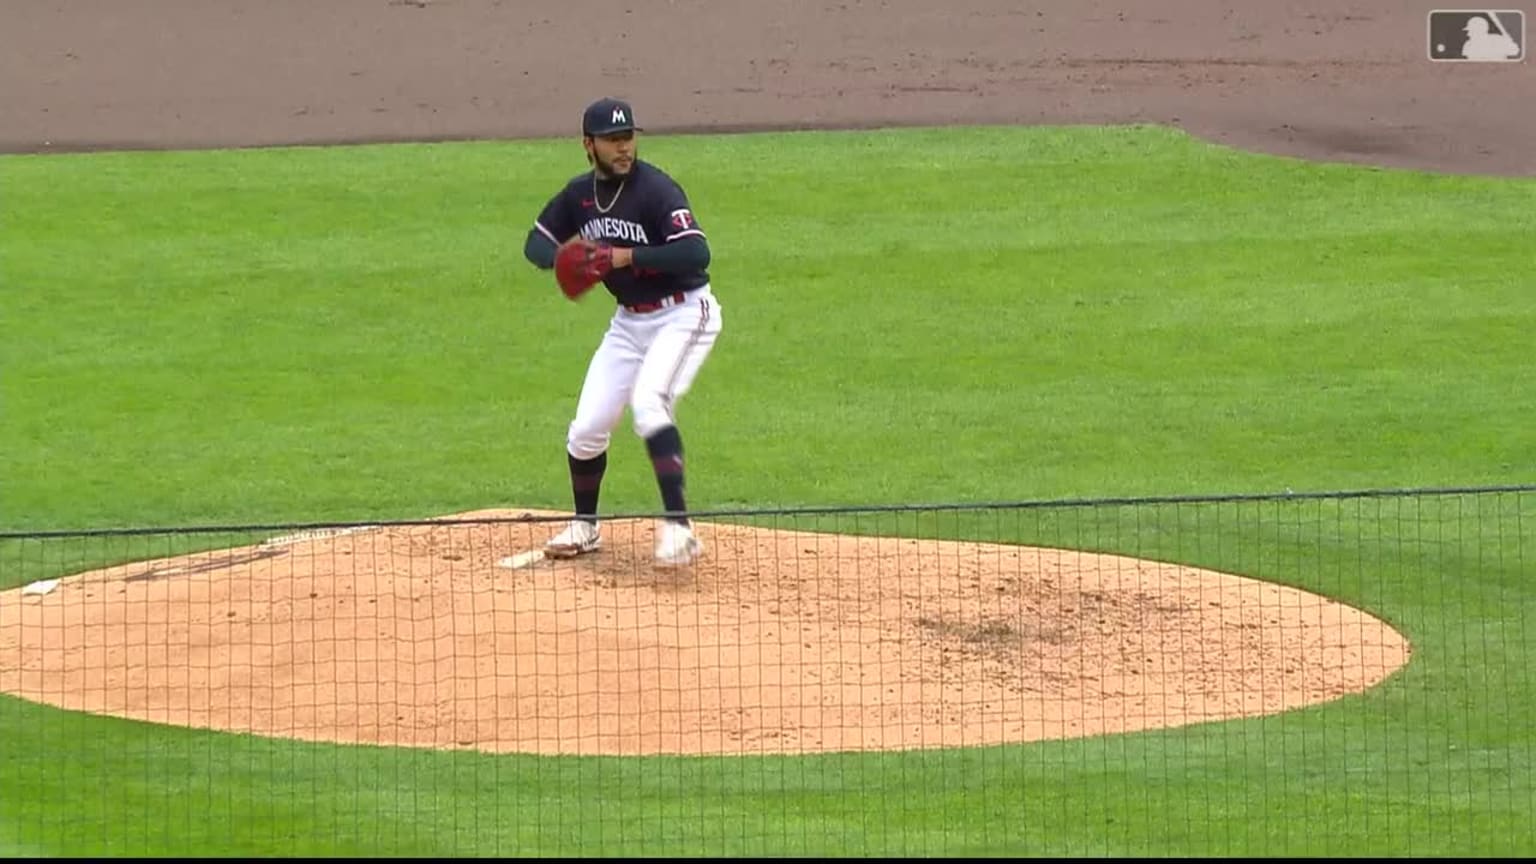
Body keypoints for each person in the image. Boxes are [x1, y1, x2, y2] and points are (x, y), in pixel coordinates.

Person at [521, 97, 723, 567]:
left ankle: (679, 528)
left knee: (650, 403)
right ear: (588, 145)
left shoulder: (656, 191)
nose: (623, 148)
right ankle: (585, 527)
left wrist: (627, 257)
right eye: (612, 140)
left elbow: (697, 255)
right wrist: (571, 260)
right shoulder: (579, 196)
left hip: (685, 314)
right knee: (586, 429)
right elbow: (535, 243)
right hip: (629, 322)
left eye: (627, 137)